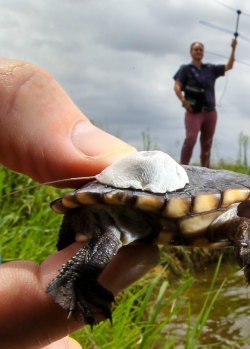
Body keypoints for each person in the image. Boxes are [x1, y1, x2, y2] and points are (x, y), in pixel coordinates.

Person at [0, 58, 160, 348]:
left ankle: (79, 282)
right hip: (106, 210)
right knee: (108, 239)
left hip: (101, 208)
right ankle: (79, 283)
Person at [173, 38, 237, 167]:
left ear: (203, 52)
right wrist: (183, 100)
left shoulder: (210, 68)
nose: (198, 51)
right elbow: (177, 86)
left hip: (210, 111)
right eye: (196, 49)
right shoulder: (186, 69)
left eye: (201, 49)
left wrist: (233, 48)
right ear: (191, 52)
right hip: (193, 112)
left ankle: (206, 171)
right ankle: (183, 168)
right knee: (190, 139)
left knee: (207, 143)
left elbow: (229, 66)